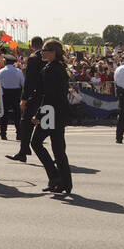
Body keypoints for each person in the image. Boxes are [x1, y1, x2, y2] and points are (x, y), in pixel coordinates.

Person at [29, 39, 73, 194]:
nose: (42, 52)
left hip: (50, 112)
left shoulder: (50, 69)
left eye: (45, 49)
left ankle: (54, 176)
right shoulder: (61, 67)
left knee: (36, 143)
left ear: (53, 52)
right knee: (58, 148)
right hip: (59, 111)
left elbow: (48, 95)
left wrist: (38, 115)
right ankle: (65, 182)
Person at [9, 36, 43, 162]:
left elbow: (29, 81)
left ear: (32, 46)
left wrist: (24, 98)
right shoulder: (48, 57)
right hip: (47, 95)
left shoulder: (34, 58)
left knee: (25, 122)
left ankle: (23, 150)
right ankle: (25, 149)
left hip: (36, 95)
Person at [0, 54, 24, 140]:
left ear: (5, 62)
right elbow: (22, 83)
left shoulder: (1, 71)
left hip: (5, 93)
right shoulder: (18, 71)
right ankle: (19, 134)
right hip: (16, 93)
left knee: (4, 115)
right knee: (17, 115)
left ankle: (3, 134)